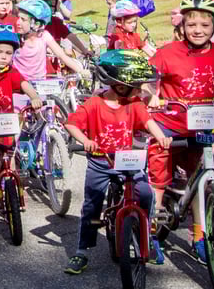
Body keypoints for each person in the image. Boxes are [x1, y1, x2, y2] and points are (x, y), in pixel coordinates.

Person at [144, 0, 214, 263]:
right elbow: (151, 80)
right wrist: (152, 93)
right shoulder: (168, 53)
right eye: (192, 24)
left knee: (198, 182)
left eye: (205, 25)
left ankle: (199, 236)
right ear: (182, 26)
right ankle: (150, 234)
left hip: (202, 127)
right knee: (158, 181)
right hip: (169, 126)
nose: (198, 30)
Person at [62, 50, 171, 274]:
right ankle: (82, 251)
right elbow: (71, 124)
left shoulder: (135, 103)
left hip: (127, 161)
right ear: (119, 85)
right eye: (137, 85)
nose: (141, 90)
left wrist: (160, 136)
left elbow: (148, 122)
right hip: (100, 163)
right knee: (92, 204)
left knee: (146, 194)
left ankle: (146, 238)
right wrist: (86, 140)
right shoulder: (94, 103)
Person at [13, 0, 84, 82]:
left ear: (36, 24)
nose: (18, 22)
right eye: (18, 18)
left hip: (38, 83)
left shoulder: (44, 36)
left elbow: (61, 55)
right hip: (18, 84)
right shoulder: (15, 37)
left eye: (23, 19)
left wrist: (81, 71)